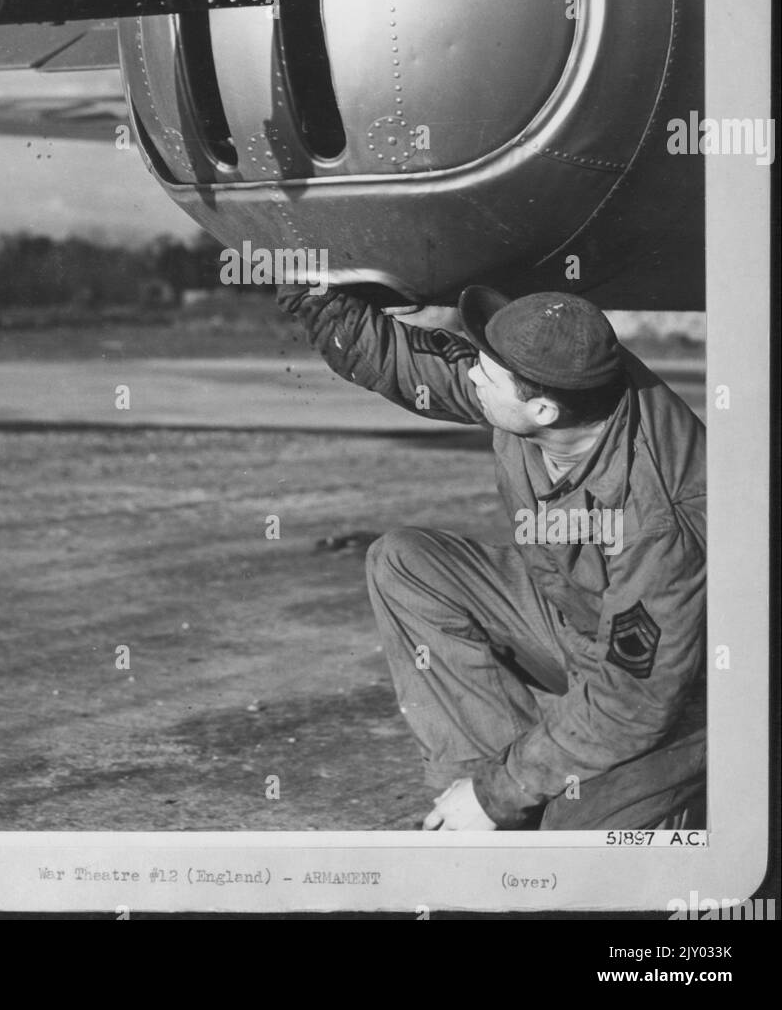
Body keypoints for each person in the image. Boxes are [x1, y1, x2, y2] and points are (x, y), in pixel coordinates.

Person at [277, 282, 706, 831]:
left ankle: (708, 803)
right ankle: (483, 802)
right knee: (406, 562)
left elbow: (637, 698)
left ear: (543, 409)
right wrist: (317, 294)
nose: (472, 376)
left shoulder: (657, 514)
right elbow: (417, 372)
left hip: (687, 689)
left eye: (486, 373)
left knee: (577, 848)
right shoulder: (562, 388)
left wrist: (505, 791)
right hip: (586, 624)